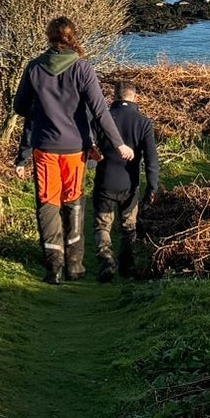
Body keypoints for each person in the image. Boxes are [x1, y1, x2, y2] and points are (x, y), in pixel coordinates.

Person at [13, 17, 132, 284]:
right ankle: (75, 265)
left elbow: (20, 108)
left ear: (49, 37)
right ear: (73, 37)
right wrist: (118, 143)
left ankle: (53, 267)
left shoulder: (34, 68)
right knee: (73, 200)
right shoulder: (83, 68)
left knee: (48, 203)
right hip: (75, 149)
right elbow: (100, 110)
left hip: (44, 147)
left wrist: (40, 112)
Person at [91, 80, 159, 283]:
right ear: (134, 97)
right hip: (130, 184)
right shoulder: (144, 123)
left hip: (105, 181)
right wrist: (152, 187)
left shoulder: (103, 119)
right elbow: (151, 159)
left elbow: (90, 146)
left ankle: (106, 260)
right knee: (129, 227)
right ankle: (127, 266)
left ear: (115, 96)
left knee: (102, 226)